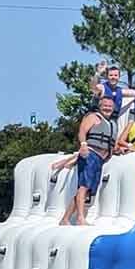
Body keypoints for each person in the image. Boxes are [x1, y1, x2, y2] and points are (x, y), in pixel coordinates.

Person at [53, 95, 118, 226]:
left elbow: (112, 143)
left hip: (100, 159)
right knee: (84, 186)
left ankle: (65, 219)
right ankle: (80, 218)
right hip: (90, 155)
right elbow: (82, 131)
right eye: (105, 105)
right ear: (100, 106)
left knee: (88, 190)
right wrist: (83, 144)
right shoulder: (93, 117)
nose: (107, 108)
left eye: (110, 106)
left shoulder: (112, 123)